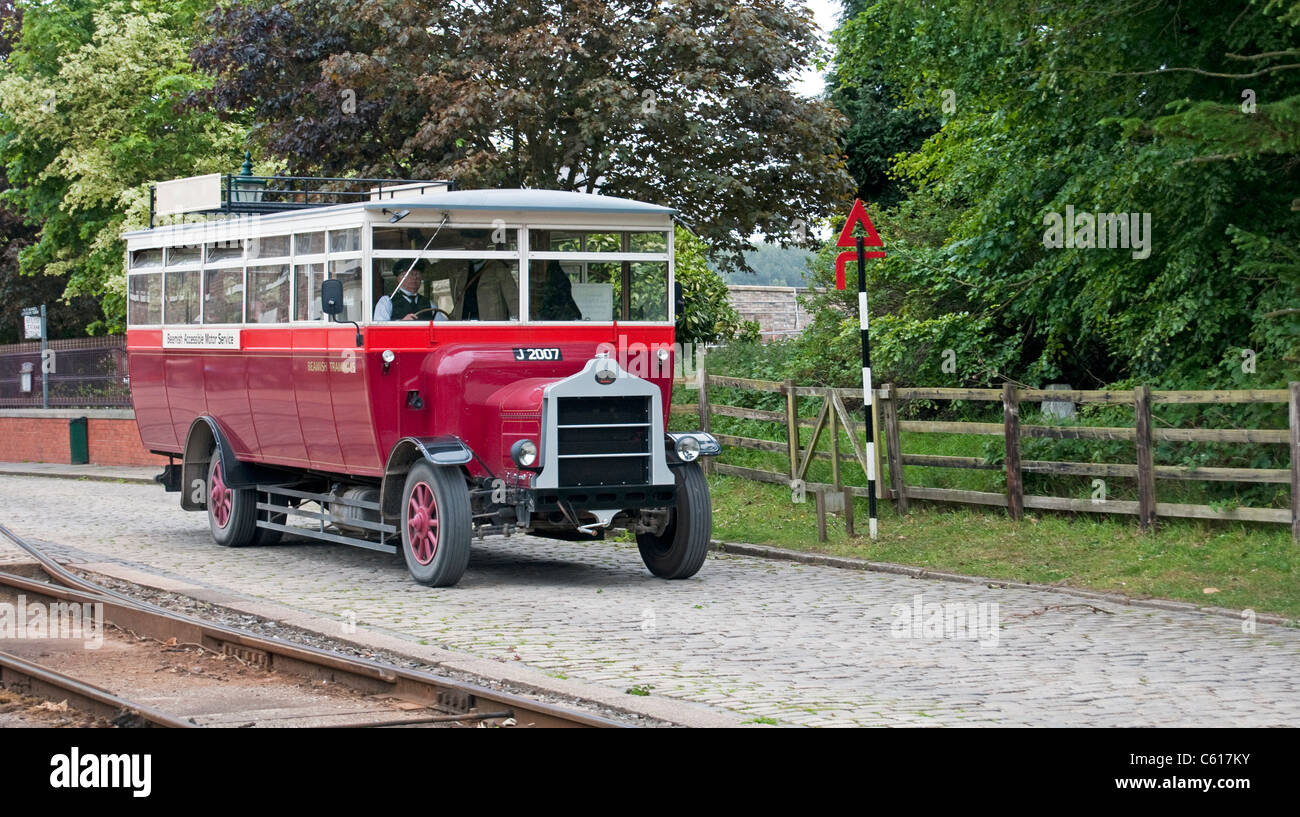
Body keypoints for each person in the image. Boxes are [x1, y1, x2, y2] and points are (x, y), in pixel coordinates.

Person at [449, 231, 519, 320]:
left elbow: (513, 300)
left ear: (486, 243)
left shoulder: (498, 268)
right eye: (470, 242)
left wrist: (518, 325)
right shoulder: (457, 267)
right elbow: (429, 274)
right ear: (464, 244)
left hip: (490, 328)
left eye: (479, 242)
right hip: (462, 326)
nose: (475, 246)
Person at [374, 261, 442, 321]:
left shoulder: (429, 303)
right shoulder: (387, 301)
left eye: (417, 274)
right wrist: (401, 323)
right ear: (399, 278)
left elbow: (442, 325)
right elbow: (380, 328)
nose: (415, 278)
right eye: (411, 274)